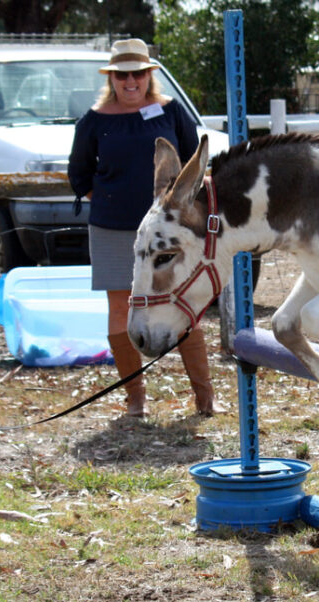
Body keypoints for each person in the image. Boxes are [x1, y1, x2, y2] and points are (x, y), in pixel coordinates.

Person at [68, 38, 219, 418]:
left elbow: (196, 164)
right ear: (111, 78)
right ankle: (135, 398)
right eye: (122, 75)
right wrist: (114, 203)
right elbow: (79, 175)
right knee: (121, 308)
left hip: (169, 232)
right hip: (113, 228)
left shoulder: (171, 111)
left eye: (137, 73)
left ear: (149, 74)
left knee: (183, 304)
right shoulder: (94, 120)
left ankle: (205, 398)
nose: (130, 81)